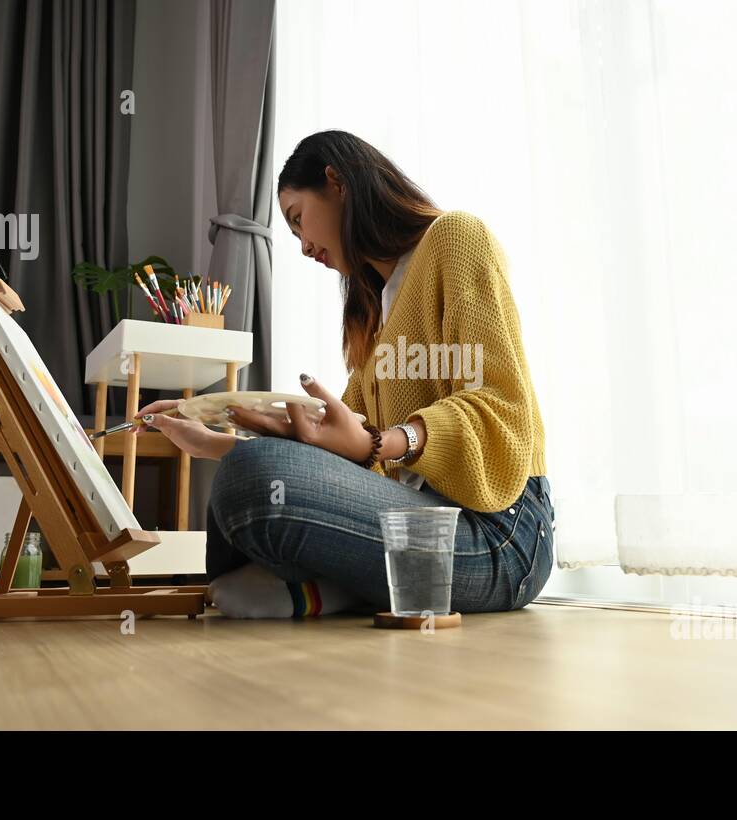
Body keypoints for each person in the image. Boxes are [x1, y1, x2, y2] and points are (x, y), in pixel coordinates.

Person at [136, 130, 554, 618]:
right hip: (416, 521)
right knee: (244, 470)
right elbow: (351, 455)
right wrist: (214, 440)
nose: (304, 247)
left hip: (502, 533)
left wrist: (384, 442)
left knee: (251, 479)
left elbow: (499, 405)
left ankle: (333, 588)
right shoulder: (373, 315)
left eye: (299, 220)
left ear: (337, 182)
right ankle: (353, 586)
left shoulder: (456, 240)